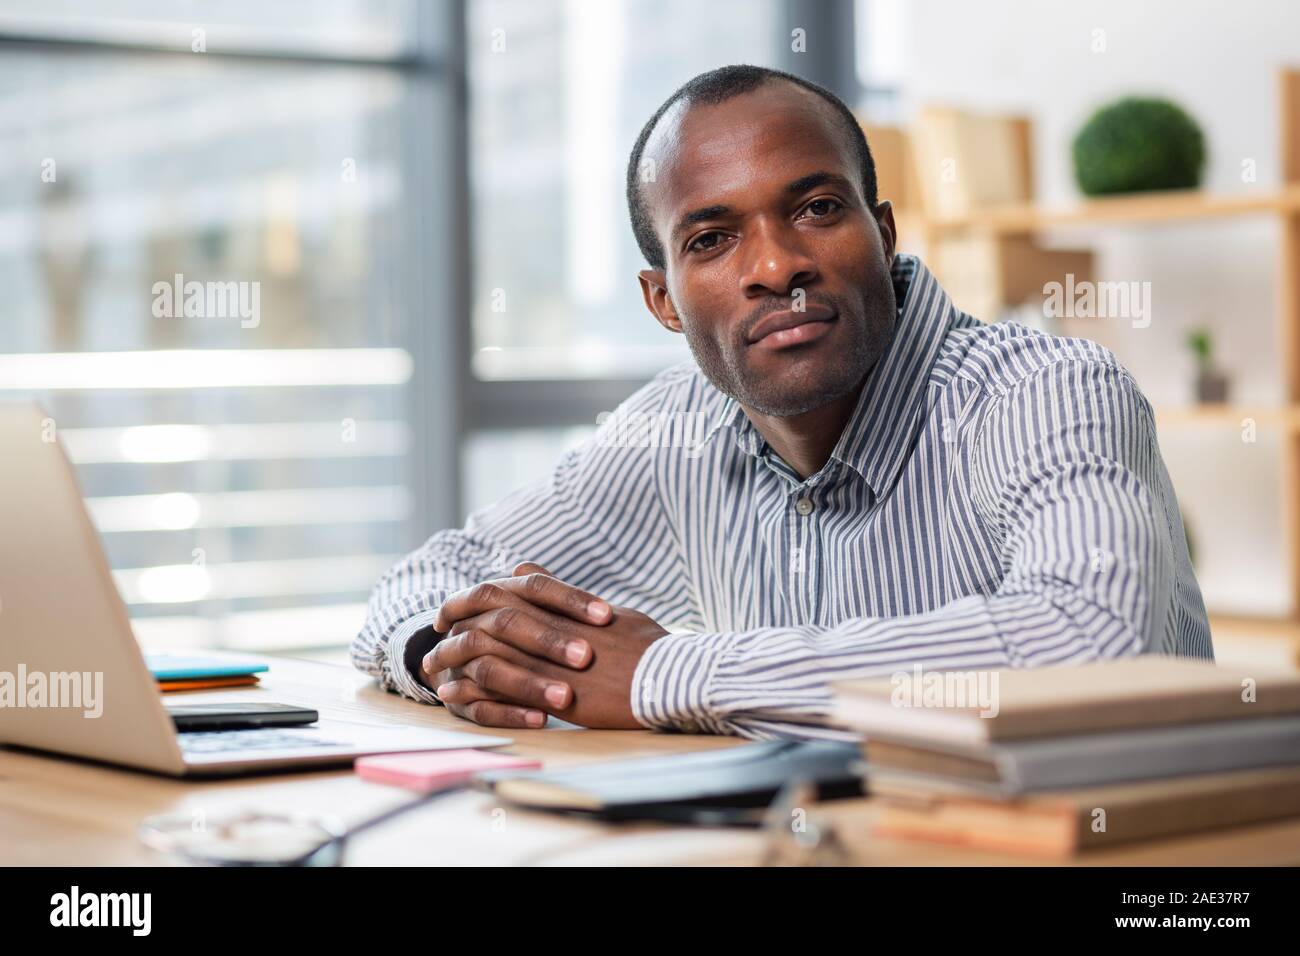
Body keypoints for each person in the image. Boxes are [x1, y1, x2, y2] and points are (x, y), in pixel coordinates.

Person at [352, 64, 1212, 740]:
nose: (776, 266)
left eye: (816, 207)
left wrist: (662, 674)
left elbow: (1097, 642)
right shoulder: (675, 431)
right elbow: (427, 577)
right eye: (713, 238)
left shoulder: (1046, 392)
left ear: (882, 233)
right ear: (663, 300)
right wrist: (453, 657)